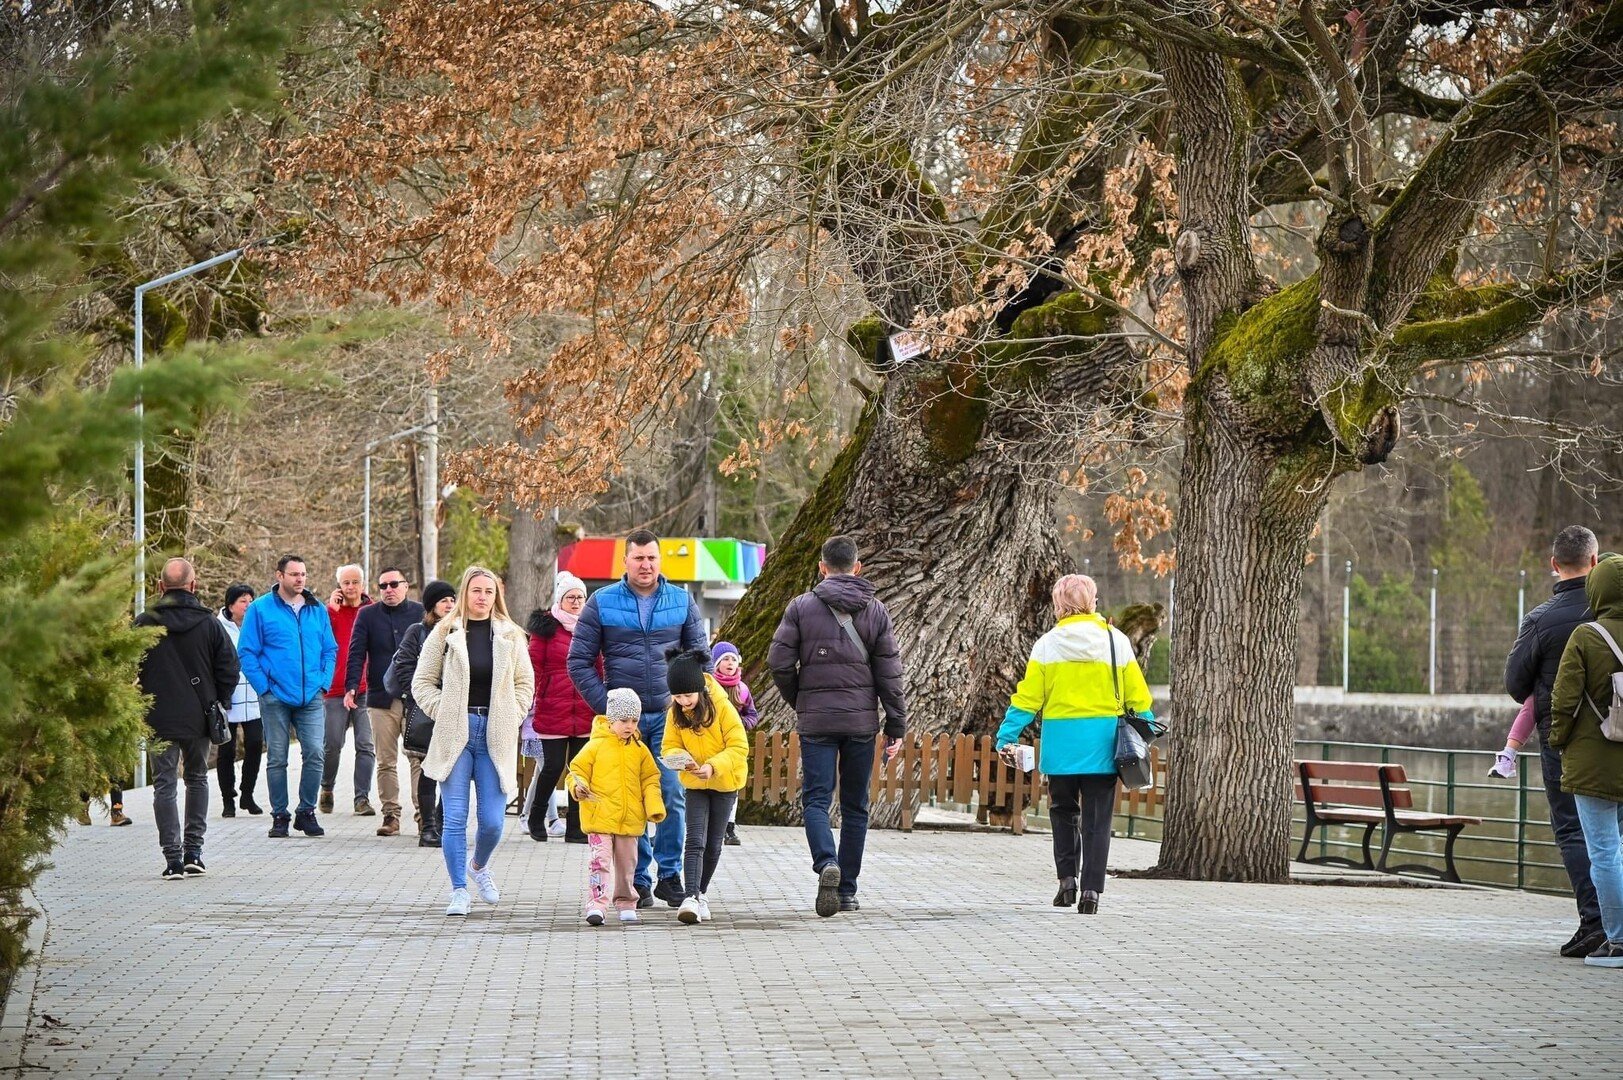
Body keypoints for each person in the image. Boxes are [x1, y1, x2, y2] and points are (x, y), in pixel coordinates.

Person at [995, 574, 1156, 915]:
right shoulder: (1116, 641)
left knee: (1062, 812)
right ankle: (1092, 892)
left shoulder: (1047, 645)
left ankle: (1066, 881)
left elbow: (1027, 699)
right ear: (1091, 601)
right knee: (1097, 820)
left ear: (1059, 605)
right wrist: (1147, 731)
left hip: (1062, 744)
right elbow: (1138, 697)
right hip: (1104, 744)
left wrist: (1007, 735)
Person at [567, 529, 707, 908]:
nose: (645, 565)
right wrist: (609, 706)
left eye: (651, 558)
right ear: (624, 561)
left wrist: (688, 704)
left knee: (672, 793)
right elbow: (578, 661)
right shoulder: (602, 602)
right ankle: (638, 879)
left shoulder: (680, 600)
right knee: (630, 799)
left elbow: (699, 657)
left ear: (660, 561)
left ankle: (669, 874)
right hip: (623, 722)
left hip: (668, 716)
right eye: (638, 558)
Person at [767, 535, 906, 917]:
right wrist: (896, 723)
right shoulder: (876, 610)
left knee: (815, 798)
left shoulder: (801, 607)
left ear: (821, 567)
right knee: (856, 807)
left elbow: (778, 663)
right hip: (862, 722)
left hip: (816, 721)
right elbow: (890, 673)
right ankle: (846, 890)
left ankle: (826, 862)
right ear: (857, 567)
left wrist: (801, 700)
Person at [412, 566, 535, 917]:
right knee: (454, 818)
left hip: (495, 732)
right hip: (455, 732)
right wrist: (446, 710)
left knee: (494, 821)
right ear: (465, 592)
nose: (482, 597)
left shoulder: (511, 635)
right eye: (476, 590)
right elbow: (421, 683)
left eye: (489, 592)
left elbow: (525, 684)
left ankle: (478, 867)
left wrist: (512, 714)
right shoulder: (444, 632)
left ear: (497, 596)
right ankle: (459, 890)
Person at [1506, 525, 1604, 957]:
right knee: (1614, 831)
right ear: (1596, 561)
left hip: (1560, 740)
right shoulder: (1612, 616)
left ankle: (1595, 923)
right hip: (1616, 737)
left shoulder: (1541, 619)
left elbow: (1515, 682)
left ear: (1553, 564)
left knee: (1572, 829)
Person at [135, 558, 239, 879]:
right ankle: (194, 851)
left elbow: (128, 667)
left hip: (157, 716)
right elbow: (229, 669)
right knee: (197, 779)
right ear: (193, 586)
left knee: (164, 784)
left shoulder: (143, 624)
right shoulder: (210, 624)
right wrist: (218, 701)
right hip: (199, 716)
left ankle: (172, 859)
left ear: (160, 586)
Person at [1550, 552, 1623, 967]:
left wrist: (1561, 742)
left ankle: (1617, 941)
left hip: (1593, 762)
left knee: (1604, 852)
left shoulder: (1587, 636)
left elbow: (1563, 700)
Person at [238, 554, 338, 839]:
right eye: (294, 574)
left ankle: (306, 812)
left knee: (316, 753)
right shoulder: (259, 609)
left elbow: (330, 649)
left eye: (303, 574)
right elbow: (246, 651)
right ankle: (279, 814)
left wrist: (323, 683)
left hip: (312, 696)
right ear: (279, 576)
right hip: (275, 697)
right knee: (277, 757)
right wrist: (264, 688)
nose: (300, 579)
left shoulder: (316, 609)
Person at [662, 648, 749, 925]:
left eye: (687, 696)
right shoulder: (675, 713)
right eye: (677, 697)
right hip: (695, 783)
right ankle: (689, 896)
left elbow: (738, 746)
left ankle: (701, 893)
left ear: (700, 690)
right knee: (695, 840)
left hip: (724, 782)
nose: (683, 702)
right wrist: (681, 761)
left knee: (713, 844)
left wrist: (712, 765)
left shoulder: (723, 708)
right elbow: (669, 745)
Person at [568, 688, 666, 926]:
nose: (629, 726)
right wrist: (578, 787)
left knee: (627, 864)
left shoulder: (641, 750)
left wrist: (653, 806)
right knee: (599, 861)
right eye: (623, 720)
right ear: (611, 720)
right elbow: (576, 771)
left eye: (634, 720)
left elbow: (650, 779)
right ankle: (597, 903)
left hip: (630, 819)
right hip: (600, 816)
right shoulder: (594, 746)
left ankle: (625, 901)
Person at [344, 566, 424, 837]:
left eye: (394, 584)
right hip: (380, 697)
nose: (388, 590)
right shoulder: (367, 615)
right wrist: (352, 687)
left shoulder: (420, 613)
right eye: (383, 586)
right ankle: (391, 815)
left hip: (416, 699)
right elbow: (356, 653)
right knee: (386, 760)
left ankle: (424, 814)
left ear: (405, 586)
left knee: (418, 758)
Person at [522, 572, 594, 843]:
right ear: (560, 600)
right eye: (570, 597)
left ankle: (576, 828)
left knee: (580, 770)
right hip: (553, 706)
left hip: (585, 711)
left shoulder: (592, 626)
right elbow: (534, 668)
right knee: (552, 767)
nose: (576, 602)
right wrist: (530, 699)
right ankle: (536, 817)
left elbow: (599, 666)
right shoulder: (546, 629)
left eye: (580, 597)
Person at [384, 579, 456, 847]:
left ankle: (443, 824)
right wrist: (423, 696)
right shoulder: (417, 632)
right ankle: (428, 828)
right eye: (443, 601)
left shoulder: (463, 631)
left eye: (452, 600)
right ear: (431, 606)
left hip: (457, 710)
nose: (449, 605)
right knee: (427, 769)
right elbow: (404, 667)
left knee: (453, 771)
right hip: (426, 709)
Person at [323, 564, 376, 817]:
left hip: (367, 687)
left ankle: (361, 798)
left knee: (365, 744)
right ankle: (327, 787)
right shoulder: (329, 613)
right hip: (335, 688)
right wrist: (331, 611)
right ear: (339, 586)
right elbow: (320, 642)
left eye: (355, 582)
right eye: (346, 583)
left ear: (363, 584)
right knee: (332, 744)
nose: (351, 587)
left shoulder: (373, 611)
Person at [217, 583, 264, 816]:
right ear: (230, 605)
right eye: (243, 601)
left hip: (254, 697)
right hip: (228, 699)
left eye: (250, 600)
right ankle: (228, 800)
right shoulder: (218, 628)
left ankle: (247, 794)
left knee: (255, 744)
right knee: (226, 751)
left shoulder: (257, 625)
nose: (248, 605)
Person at [710, 640, 757, 846]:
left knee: (732, 784)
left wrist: (742, 723)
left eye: (733, 659)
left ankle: (729, 826)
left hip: (734, 744)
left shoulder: (742, 690)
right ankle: (710, 823)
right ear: (716, 664)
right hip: (712, 742)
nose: (730, 663)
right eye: (725, 659)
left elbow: (752, 715)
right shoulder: (709, 687)